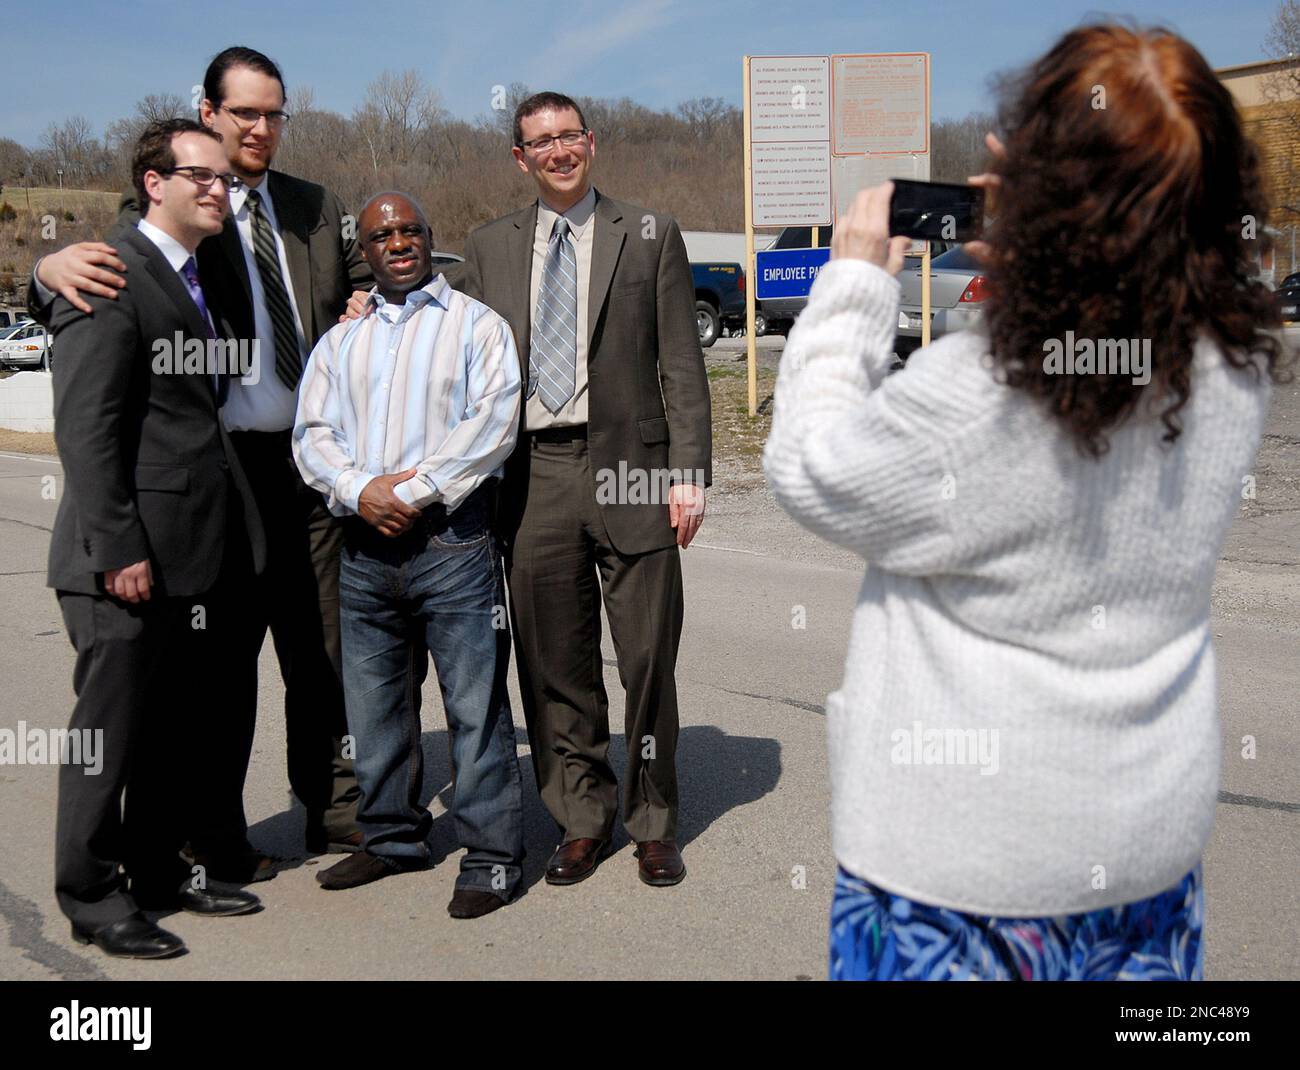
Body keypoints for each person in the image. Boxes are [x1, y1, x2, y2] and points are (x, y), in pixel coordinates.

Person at [764, 24, 1290, 980]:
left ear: (1052, 192)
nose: (997, 153)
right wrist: (1043, 244)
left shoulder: (983, 392)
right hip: (1146, 860)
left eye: (1025, 147)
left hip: (964, 883)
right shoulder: (1229, 366)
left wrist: (847, 289)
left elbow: (810, 466)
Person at [30, 46, 371, 877]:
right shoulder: (191, 199)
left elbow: (371, 267)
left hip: (313, 464)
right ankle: (211, 832)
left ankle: (334, 807)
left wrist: (368, 295)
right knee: (217, 665)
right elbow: (115, 265)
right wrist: (44, 270)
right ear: (209, 114)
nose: (262, 129)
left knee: (322, 650)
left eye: (275, 113)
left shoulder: (315, 205)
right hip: (224, 471)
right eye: (245, 113)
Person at [453, 92, 711, 886]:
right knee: (553, 662)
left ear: (591, 144)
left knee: (646, 660)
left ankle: (653, 820)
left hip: (636, 469)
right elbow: (455, 353)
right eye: (542, 141)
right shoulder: (488, 248)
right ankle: (581, 819)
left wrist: (691, 474)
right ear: (519, 158)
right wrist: (369, 309)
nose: (559, 151)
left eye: (570, 136)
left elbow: (682, 366)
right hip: (534, 475)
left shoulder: (650, 232)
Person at [48, 119, 266, 958]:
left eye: (225, 180)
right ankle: (91, 894)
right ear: (154, 183)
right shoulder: (109, 272)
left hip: (191, 554)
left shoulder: (194, 275)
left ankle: (159, 873)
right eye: (201, 176)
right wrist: (117, 549)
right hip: (124, 558)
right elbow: (87, 429)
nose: (218, 188)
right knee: (110, 734)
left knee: (172, 727)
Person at [294, 192, 525, 919]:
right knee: (375, 707)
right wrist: (362, 491)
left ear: (430, 239)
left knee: (474, 706)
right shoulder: (340, 341)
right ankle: (392, 837)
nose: (397, 242)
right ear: (362, 251)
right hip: (363, 548)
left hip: (451, 542)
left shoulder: (477, 326)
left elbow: (492, 424)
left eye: (409, 230)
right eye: (380, 234)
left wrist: (415, 491)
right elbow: (311, 432)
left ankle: (491, 856)